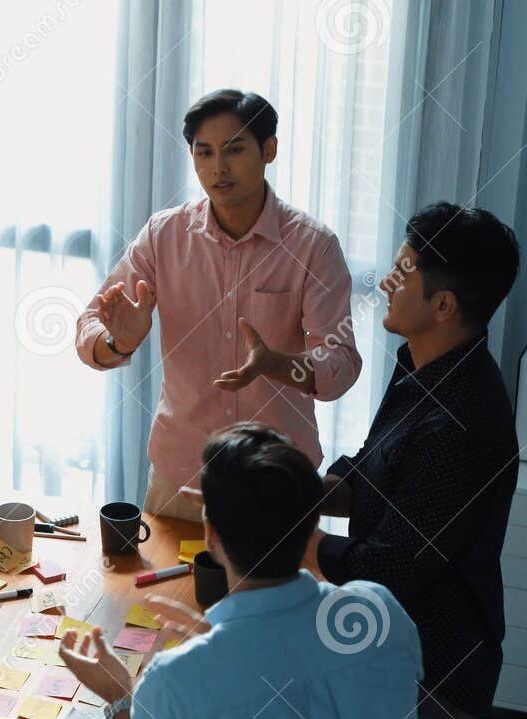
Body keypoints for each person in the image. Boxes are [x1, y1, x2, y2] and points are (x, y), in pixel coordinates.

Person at [58, 423, 422, 719]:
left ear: (210, 534)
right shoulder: (379, 614)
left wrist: (122, 703)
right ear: (313, 524)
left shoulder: (175, 684)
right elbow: (305, 697)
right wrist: (222, 647)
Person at [313, 203, 522, 719]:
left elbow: (396, 565)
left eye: (401, 271)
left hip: (437, 665)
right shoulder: (424, 364)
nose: (385, 283)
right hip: (401, 649)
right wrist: (287, 497)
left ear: (443, 303)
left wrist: (291, 544)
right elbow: (374, 471)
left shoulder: (463, 421)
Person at [73, 89, 361, 520]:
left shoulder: (313, 246)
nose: (217, 168)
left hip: (277, 480)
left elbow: (340, 365)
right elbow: (89, 326)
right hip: (182, 476)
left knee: (275, 590)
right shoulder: (163, 235)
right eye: (203, 153)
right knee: (161, 589)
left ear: (270, 149)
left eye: (234, 150)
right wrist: (119, 342)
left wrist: (276, 363)